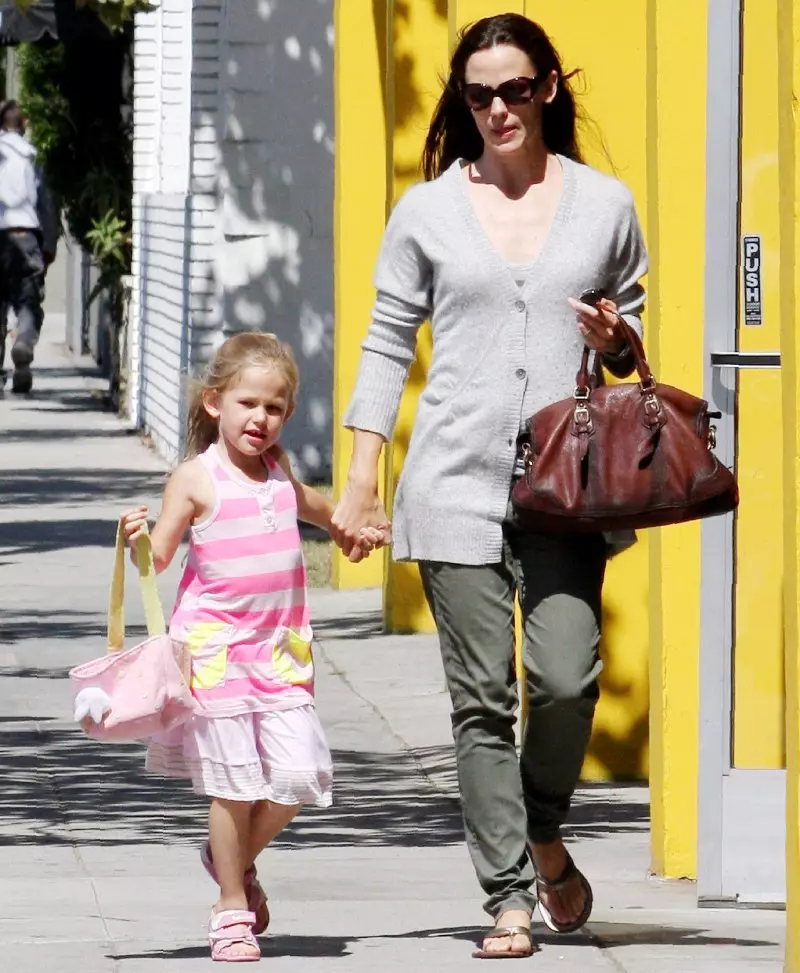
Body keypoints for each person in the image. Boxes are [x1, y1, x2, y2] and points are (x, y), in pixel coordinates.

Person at [331, 13, 647, 960]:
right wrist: (359, 480)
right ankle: (510, 894)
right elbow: (387, 343)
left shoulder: (605, 205)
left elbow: (631, 341)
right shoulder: (426, 210)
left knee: (565, 674)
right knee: (482, 701)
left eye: (515, 89)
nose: (498, 108)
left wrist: (616, 341)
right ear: (462, 101)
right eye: (479, 94)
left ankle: (543, 826)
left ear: (551, 86)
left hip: (567, 487)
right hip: (453, 483)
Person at [120, 332, 381, 962]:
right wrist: (134, 538)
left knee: (300, 776)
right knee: (232, 786)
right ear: (215, 403)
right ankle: (231, 906)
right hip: (215, 655)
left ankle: (225, 857)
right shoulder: (194, 479)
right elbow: (157, 558)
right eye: (248, 403)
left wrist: (352, 530)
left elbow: (315, 509)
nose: (260, 419)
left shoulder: (279, 471)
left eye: (275, 408)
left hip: (280, 652)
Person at [0, 99, 58, 393]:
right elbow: (46, 202)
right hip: (25, 237)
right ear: (22, 124)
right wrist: (49, 242)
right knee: (27, 303)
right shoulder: (33, 156)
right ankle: (22, 351)